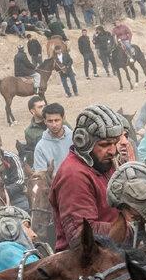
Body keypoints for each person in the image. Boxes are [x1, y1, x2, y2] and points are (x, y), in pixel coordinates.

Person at [49, 104, 124, 250]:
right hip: (85, 263)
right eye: (105, 144)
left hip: (111, 252)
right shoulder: (73, 175)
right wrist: (127, 227)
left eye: (115, 143)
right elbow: (81, 234)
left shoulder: (103, 164)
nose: (113, 151)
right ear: (83, 142)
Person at [33, 102, 73, 174]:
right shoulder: (40, 147)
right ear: (45, 121)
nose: (54, 125)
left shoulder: (75, 139)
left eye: (57, 120)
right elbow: (41, 175)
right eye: (50, 121)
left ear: (63, 118)